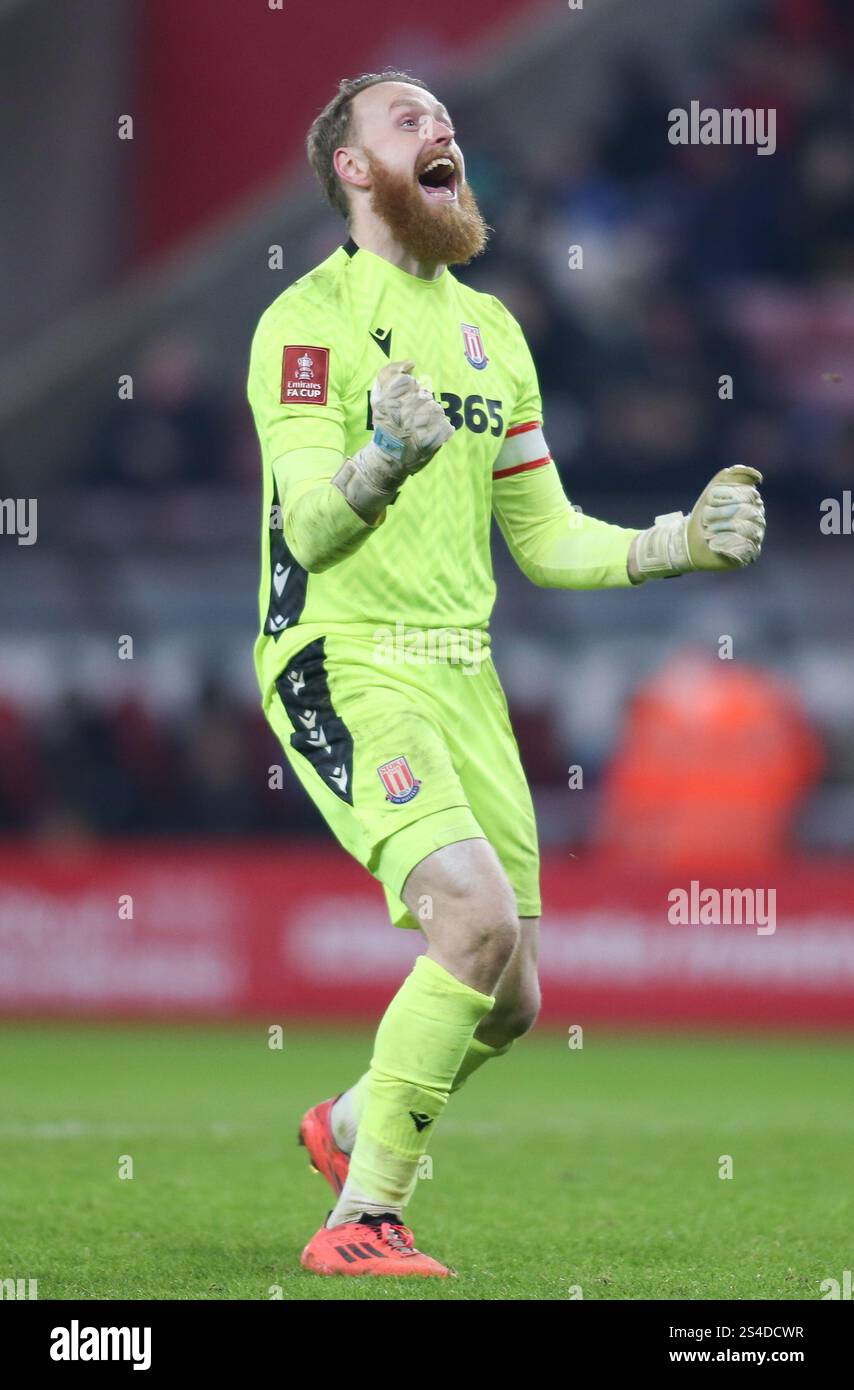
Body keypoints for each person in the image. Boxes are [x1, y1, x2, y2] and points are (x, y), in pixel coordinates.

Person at [246, 70, 766, 1278]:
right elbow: (308, 528)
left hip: (462, 679)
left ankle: (351, 1123)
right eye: (405, 119)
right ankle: (360, 1221)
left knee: (513, 998)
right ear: (353, 170)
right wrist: (379, 459)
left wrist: (670, 543)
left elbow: (543, 537)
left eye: (445, 118)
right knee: (471, 927)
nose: (441, 130)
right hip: (345, 657)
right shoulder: (306, 319)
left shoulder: (495, 335)